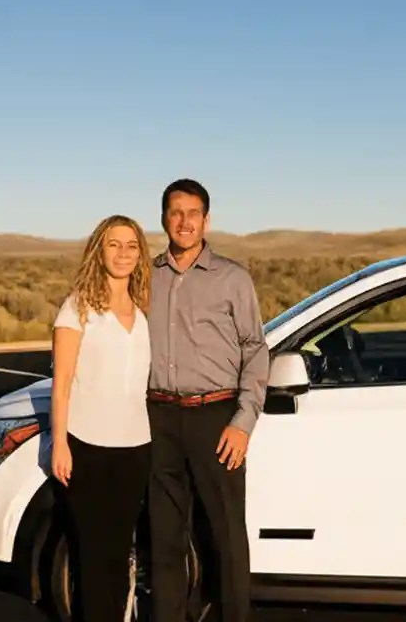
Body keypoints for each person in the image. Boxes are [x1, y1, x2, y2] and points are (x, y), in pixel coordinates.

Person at [146, 178, 269, 622]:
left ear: (207, 220)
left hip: (216, 419)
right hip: (158, 417)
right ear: (163, 218)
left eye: (192, 213)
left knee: (225, 538)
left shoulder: (232, 278)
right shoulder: (146, 277)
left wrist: (243, 421)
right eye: (176, 212)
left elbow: (256, 350)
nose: (184, 222)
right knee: (164, 539)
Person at [49, 213, 154, 622]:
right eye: (114, 244)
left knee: (118, 552)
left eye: (131, 245)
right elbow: (61, 384)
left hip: (135, 447)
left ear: (140, 254)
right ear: (99, 249)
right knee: (91, 555)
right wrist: (60, 444)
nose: (123, 253)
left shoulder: (145, 308)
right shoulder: (77, 308)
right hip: (87, 446)